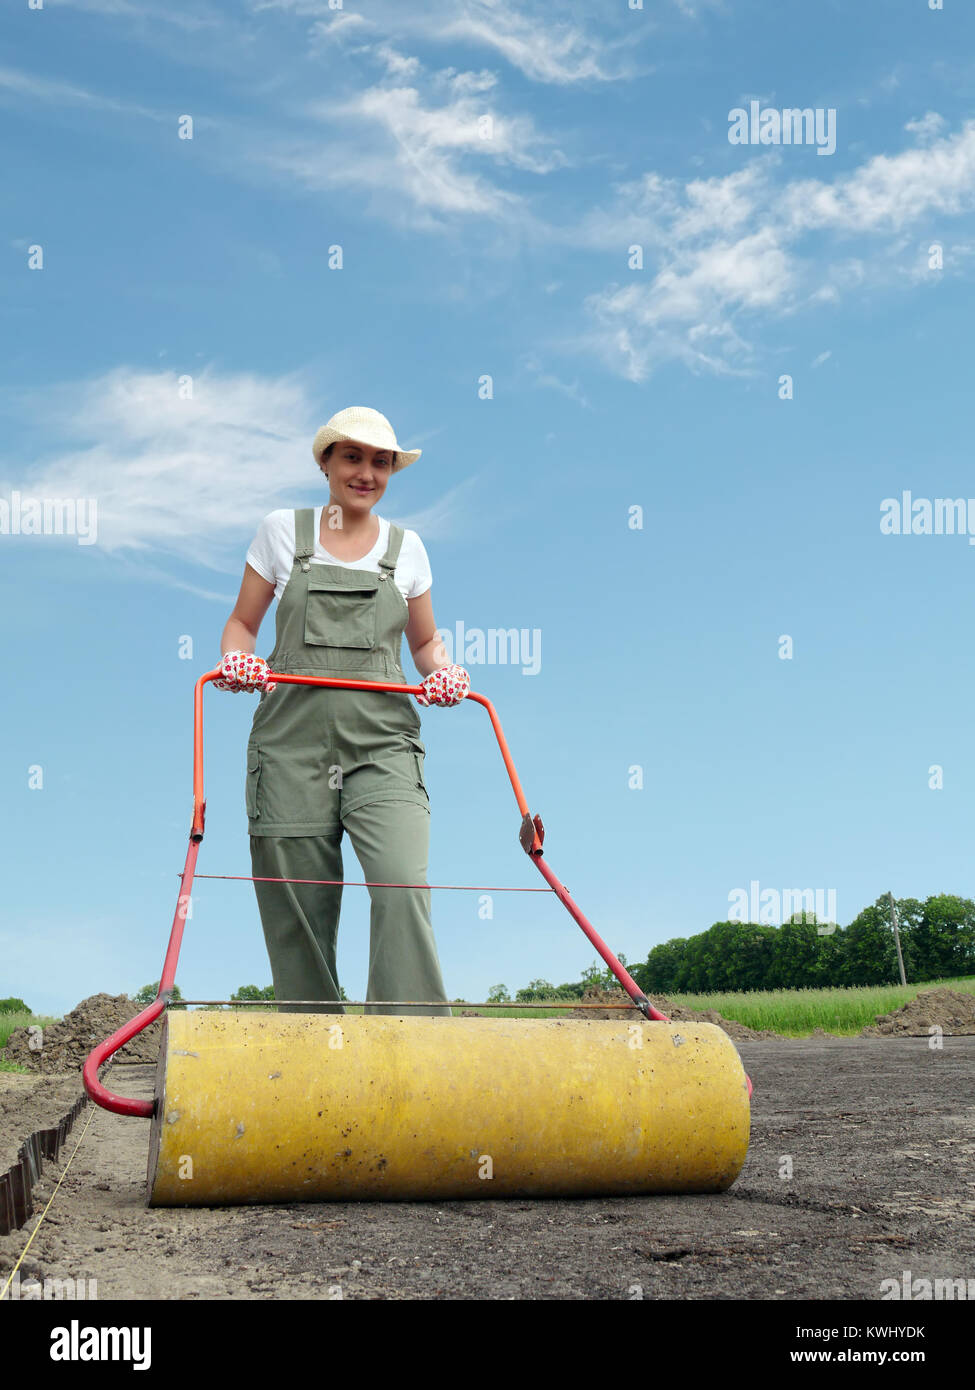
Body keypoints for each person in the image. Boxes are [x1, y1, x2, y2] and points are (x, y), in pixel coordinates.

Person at [216, 406, 470, 1017]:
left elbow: (425, 644)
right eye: (352, 457)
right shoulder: (282, 531)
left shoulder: (407, 550)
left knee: (401, 880)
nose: (366, 473)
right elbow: (241, 625)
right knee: (297, 901)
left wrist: (446, 670)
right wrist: (237, 661)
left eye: (380, 462)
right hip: (290, 745)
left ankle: (411, 1047)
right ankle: (316, 1052)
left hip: (381, 745)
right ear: (325, 462)